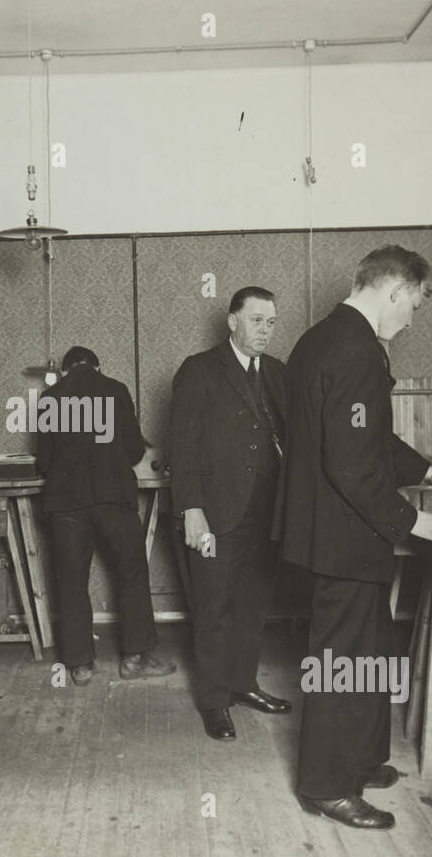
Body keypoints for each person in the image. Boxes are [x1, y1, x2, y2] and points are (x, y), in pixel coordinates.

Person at [279, 245, 432, 831]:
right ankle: (326, 785)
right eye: (414, 307)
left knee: (369, 652)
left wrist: (426, 470)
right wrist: (413, 521)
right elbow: (351, 464)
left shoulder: (319, 339)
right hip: (344, 537)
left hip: (332, 532)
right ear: (396, 290)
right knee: (339, 661)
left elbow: (368, 440)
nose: (410, 322)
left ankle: (359, 758)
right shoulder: (356, 350)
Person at [168, 286, 292, 741]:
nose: (266, 330)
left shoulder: (278, 374)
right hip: (215, 515)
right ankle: (216, 701)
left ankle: (243, 685)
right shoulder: (199, 370)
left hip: (266, 517)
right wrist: (192, 512)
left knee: (253, 608)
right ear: (232, 321)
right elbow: (182, 448)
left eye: (272, 322)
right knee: (214, 609)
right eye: (257, 320)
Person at [36, 346, 176, 686]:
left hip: (67, 503)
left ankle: (80, 665)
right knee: (131, 572)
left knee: (70, 581)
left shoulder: (50, 398)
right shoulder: (115, 390)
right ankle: (134, 659)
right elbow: (133, 451)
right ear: (97, 366)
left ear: (66, 370)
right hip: (112, 497)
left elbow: (44, 461)